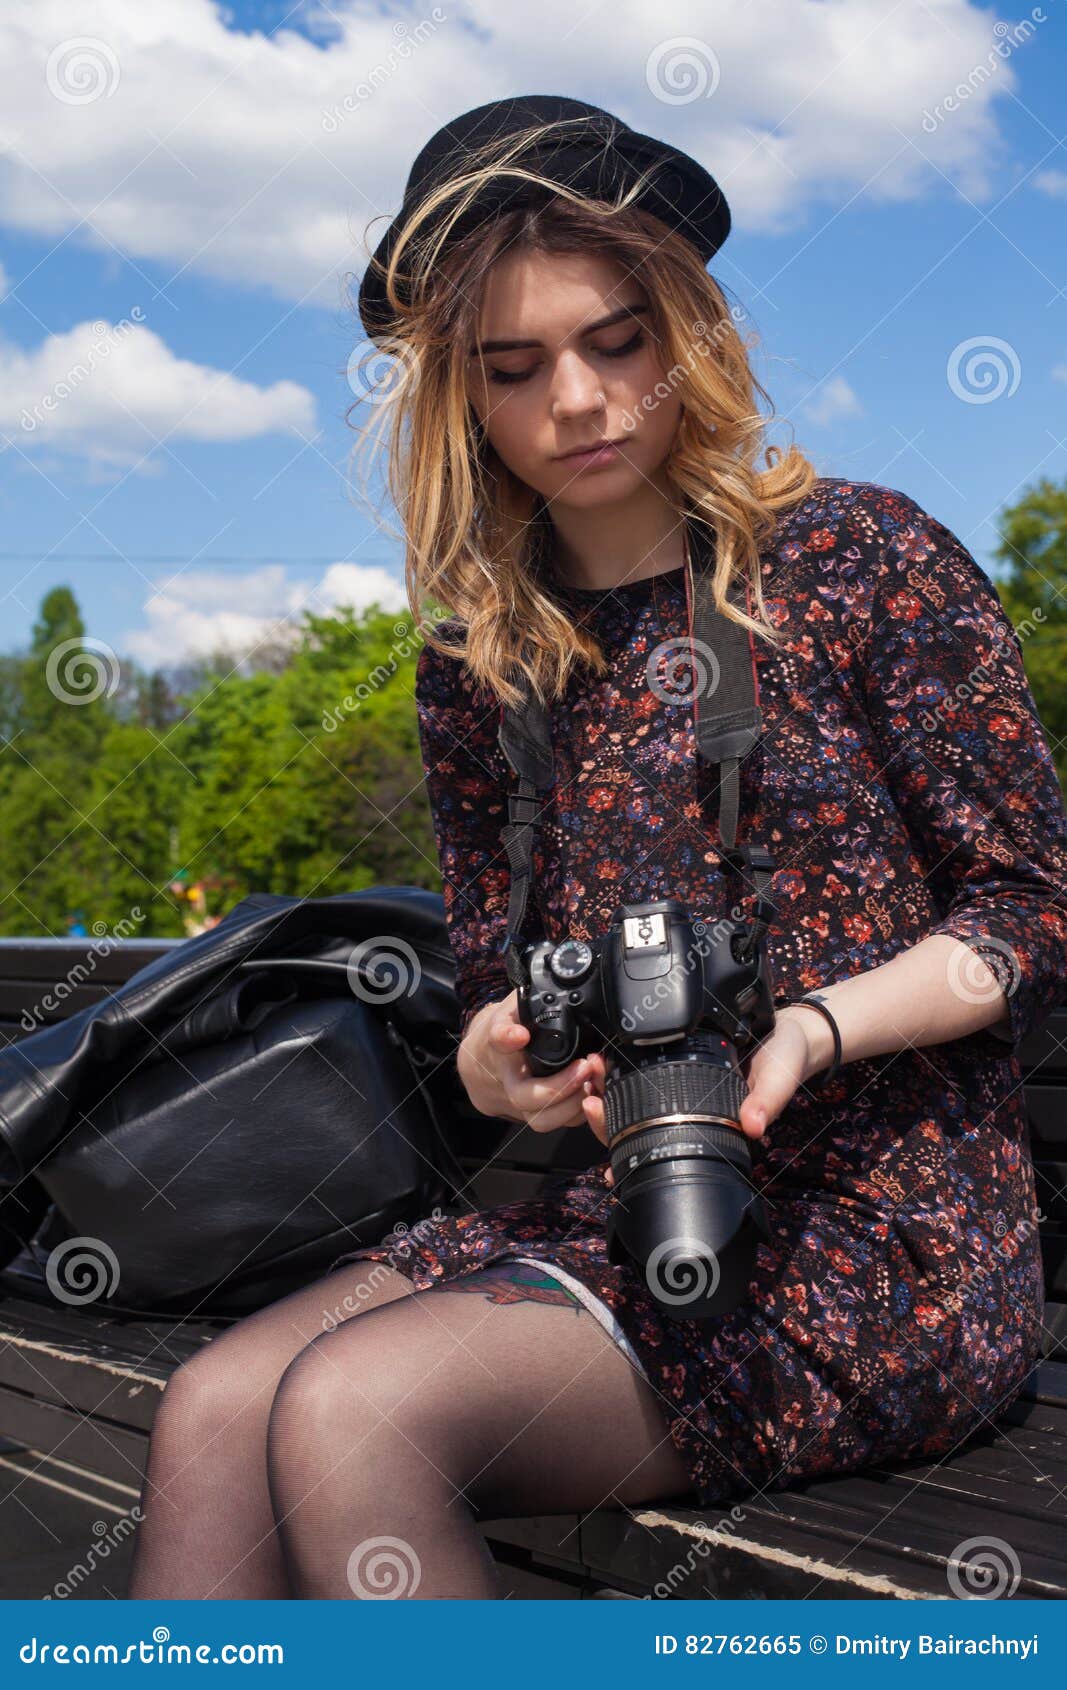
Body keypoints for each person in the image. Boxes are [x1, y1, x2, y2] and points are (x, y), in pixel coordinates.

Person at [127, 96, 1067, 1602]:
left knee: (356, 1406)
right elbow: (505, 984)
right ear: (462, 399)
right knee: (213, 1409)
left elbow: (1030, 906)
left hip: (882, 1231)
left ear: (686, 333)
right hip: (605, 1202)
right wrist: (500, 1061)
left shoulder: (861, 560)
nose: (578, 398)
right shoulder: (481, 661)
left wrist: (816, 1031)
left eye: (617, 341)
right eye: (513, 368)